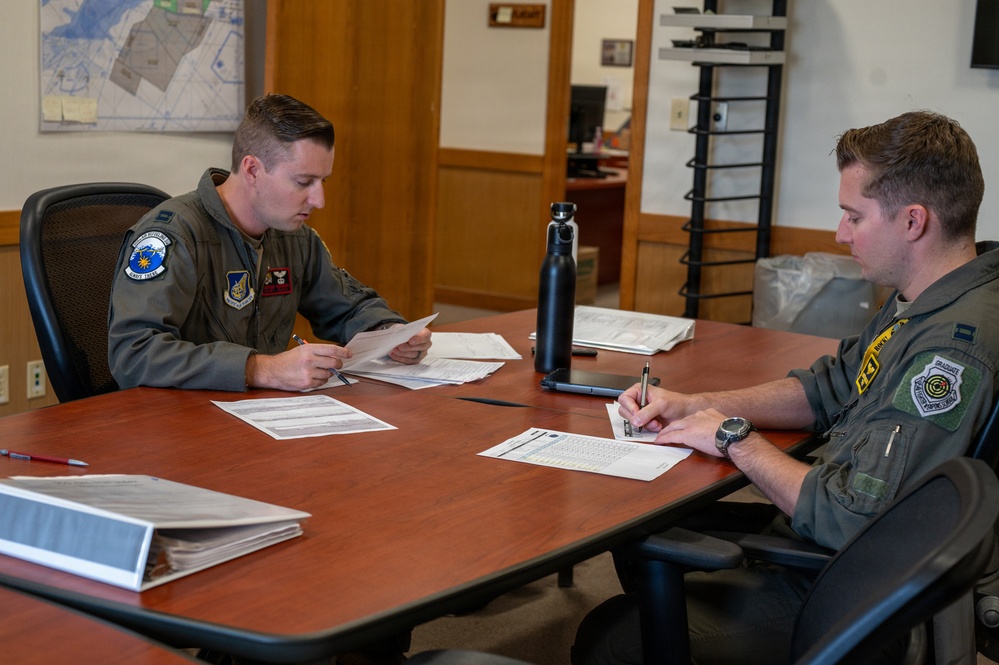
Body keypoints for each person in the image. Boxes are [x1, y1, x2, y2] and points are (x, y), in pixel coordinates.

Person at [572, 110, 999, 665]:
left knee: (613, 639)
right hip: (844, 545)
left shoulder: (950, 351)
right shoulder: (932, 294)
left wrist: (735, 438)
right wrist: (699, 405)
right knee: (651, 519)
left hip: (855, 588)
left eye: (853, 216)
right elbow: (831, 387)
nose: (840, 233)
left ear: (913, 221)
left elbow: (853, 519)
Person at [108, 93, 431, 392]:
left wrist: (391, 333)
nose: (319, 200)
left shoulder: (294, 237)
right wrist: (260, 369)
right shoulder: (173, 236)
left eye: (323, 182)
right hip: (180, 424)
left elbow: (345, 306)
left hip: (260, 417)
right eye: (304, 182)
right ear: (252, 170)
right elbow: (133, 353)